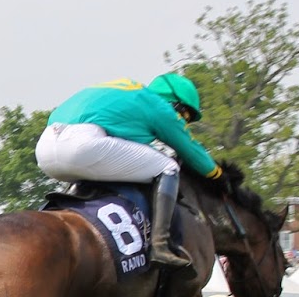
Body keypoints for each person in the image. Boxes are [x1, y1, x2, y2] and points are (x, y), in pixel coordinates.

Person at [36, 73, 224, 269]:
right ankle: (159, 245)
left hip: (45, 149)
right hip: (82, 145)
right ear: (176, 104)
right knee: (168, 167)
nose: (182, 123)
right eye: (184, 117)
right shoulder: (157, 104)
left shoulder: (123, 93)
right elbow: (192, 151)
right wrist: (217, 174)